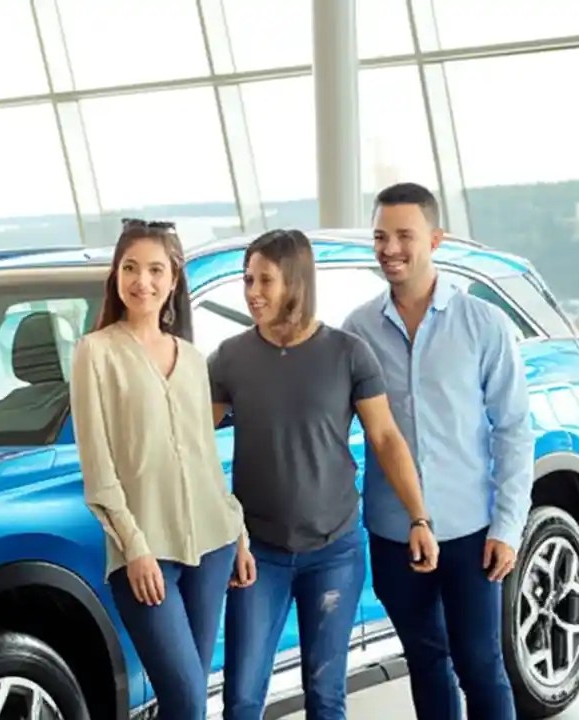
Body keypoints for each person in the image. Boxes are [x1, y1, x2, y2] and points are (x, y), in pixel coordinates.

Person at [210, 229, 438, 720]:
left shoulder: (348, 353)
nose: (252, 292)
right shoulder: (229, 358)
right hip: (257, 556)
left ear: (295, 280)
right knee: (243, 699)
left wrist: (419, 518)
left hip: (334, 552)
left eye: (265, 280)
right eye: (247, 279)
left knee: (326, 695)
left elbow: (386, 440)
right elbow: (187, 442)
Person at [342, 182, 535, 720]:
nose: (390, 248)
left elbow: (514, 429)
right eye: (380, 236)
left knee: (480, 662)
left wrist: (507, 527)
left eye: (404, 235)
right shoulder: (357, 330)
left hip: (472, 530)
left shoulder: (483, 324)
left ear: (436, 238)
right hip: (391, 530)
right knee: (425, 661)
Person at [70, 218, 249, 720]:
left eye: (154, 270)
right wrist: (135, 548)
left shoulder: (191, 359)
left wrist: (237, 533)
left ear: (173, 281)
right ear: (116, 275)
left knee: (187, 700)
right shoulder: (96, 353)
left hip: (212, 544)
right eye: (130, 268)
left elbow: (205, 458)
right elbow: (98, 466)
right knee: (187, 699)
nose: (141, 281)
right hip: (145, 552)